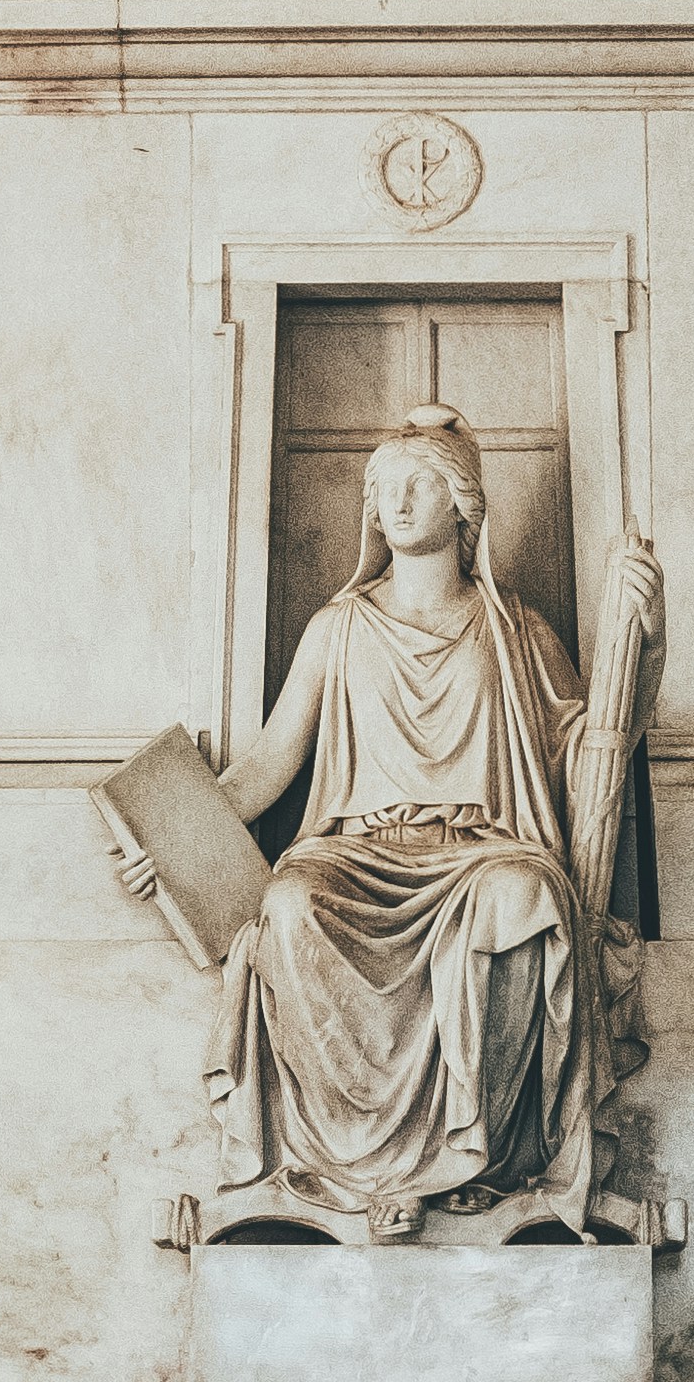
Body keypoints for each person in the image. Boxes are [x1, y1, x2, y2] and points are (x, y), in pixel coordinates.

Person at [112, 408, 665, 1240]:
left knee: (522, 899)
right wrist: (169, 846)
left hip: (482, 852)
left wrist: (645, 643)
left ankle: (474, 1157)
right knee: (291, 905)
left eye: (418, 483)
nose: (396, 502)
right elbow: (265, 768)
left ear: (462, 504)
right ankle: (359, 1161)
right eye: (383, 488)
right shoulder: (338, 627)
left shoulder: (513, 631)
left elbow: (592, 752)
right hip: (357, 854)